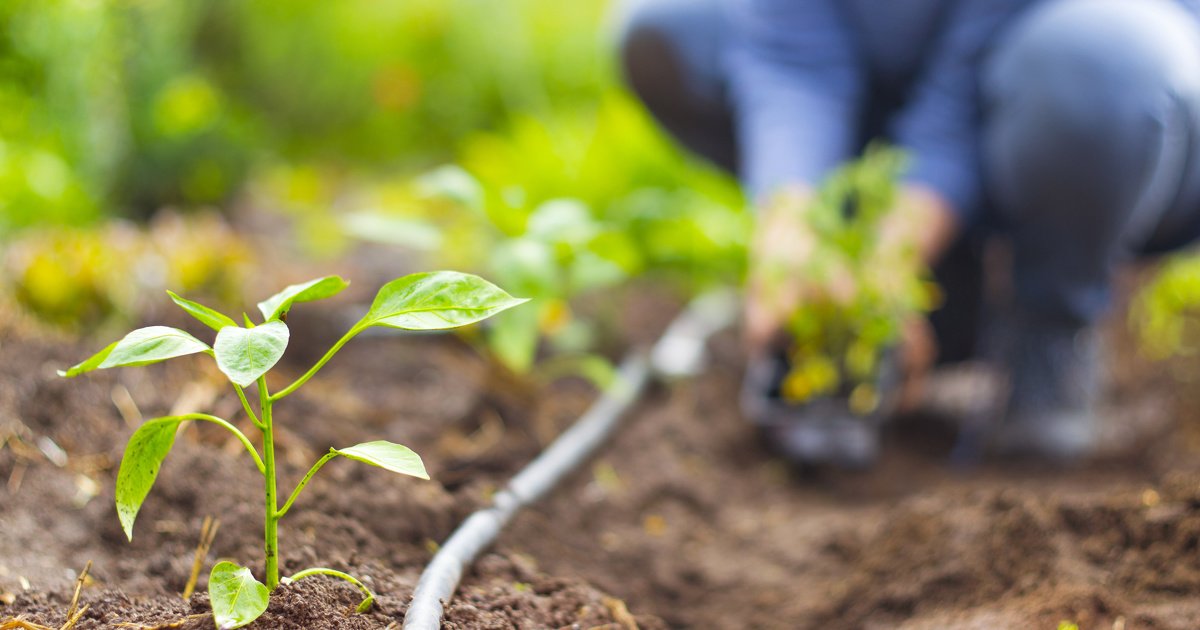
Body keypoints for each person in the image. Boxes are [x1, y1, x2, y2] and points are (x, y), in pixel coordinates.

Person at [616, 0, 1200, 467]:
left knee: (1091, 63)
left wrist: (891, 259)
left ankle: (1050, 314)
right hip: (912, 65)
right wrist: (791, 224)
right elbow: (794, 53)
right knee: (669, 26)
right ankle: (922, 303)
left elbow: (957, 96)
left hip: (1094, 77)